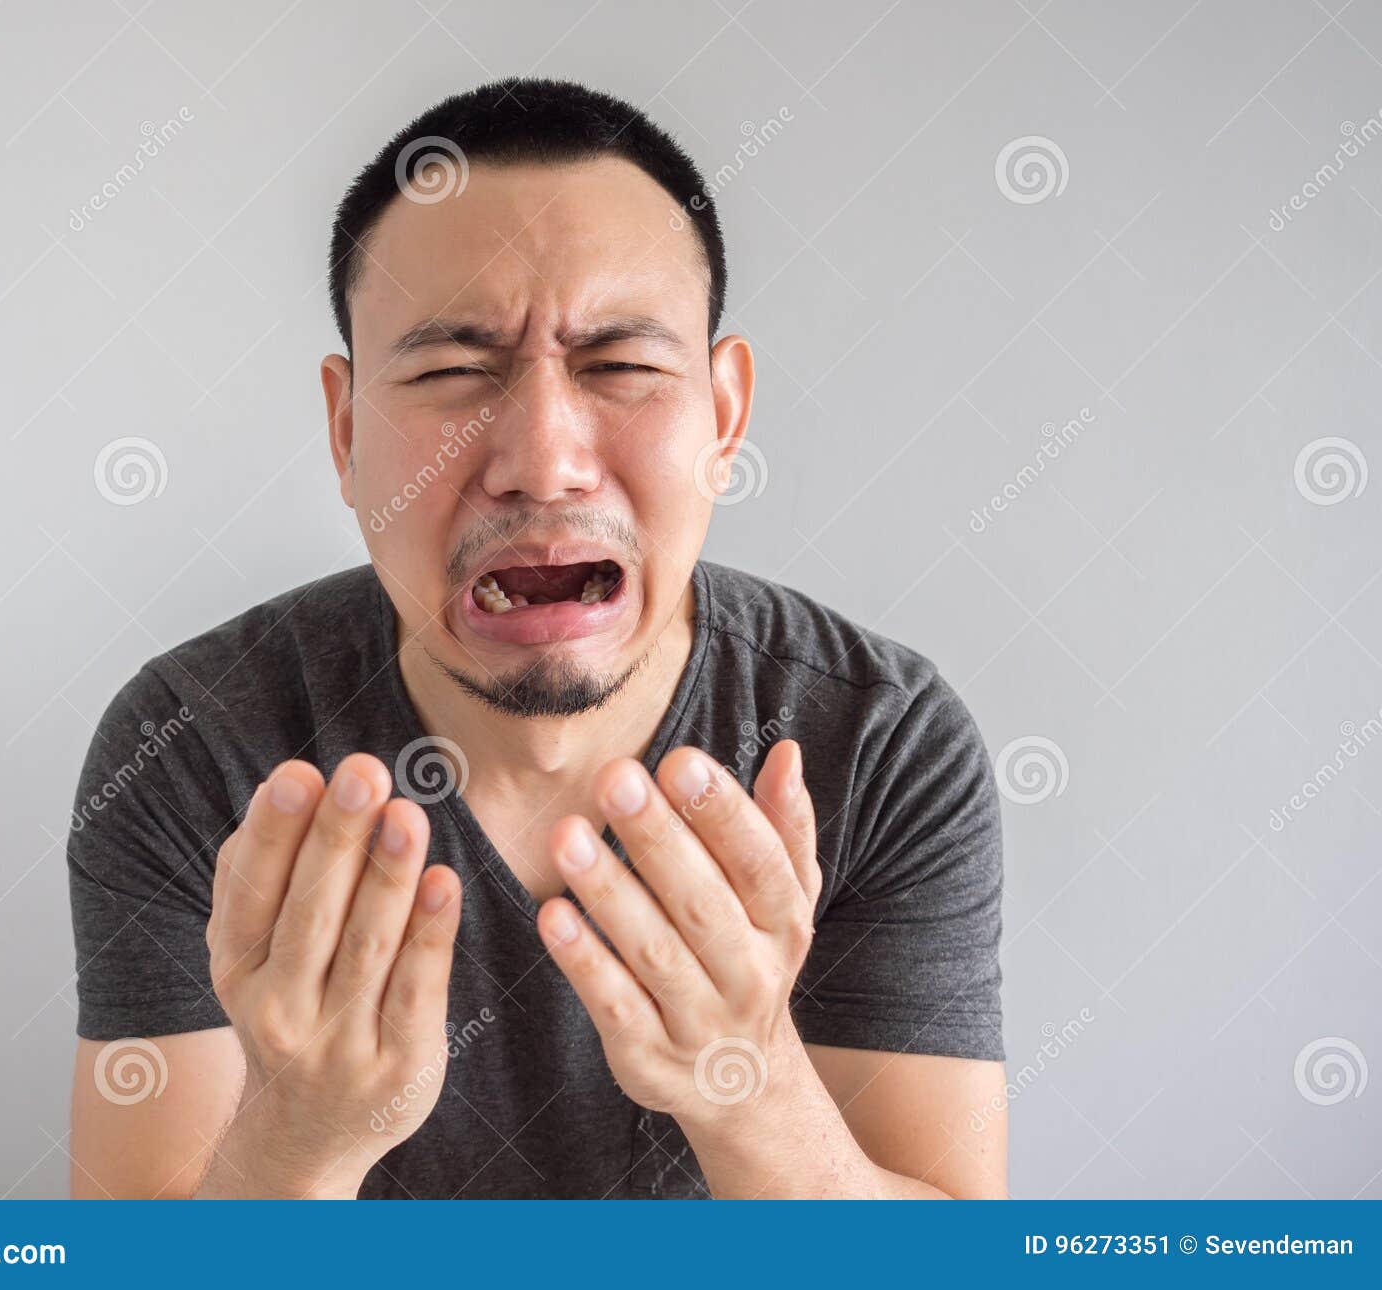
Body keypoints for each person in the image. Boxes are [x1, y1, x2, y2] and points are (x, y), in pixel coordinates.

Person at [66, 77, 1007, 1200]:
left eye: (620, 366)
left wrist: (746, 1087)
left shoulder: (878, 741)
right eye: (453, 370)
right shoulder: (194, 748)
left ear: (725, 417)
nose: (544, 456)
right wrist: (304, 1136)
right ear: (346, 425)